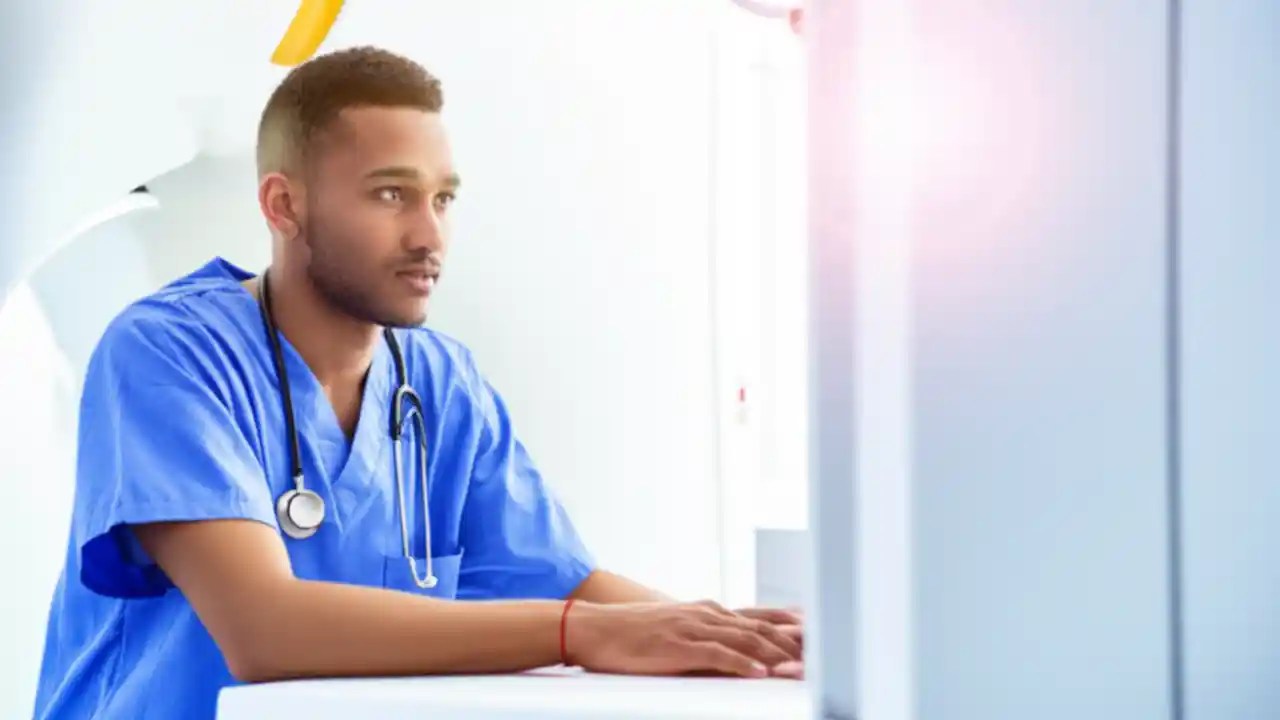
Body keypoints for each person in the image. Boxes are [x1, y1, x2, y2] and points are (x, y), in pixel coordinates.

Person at [33, 46, 803, 720]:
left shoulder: (439, 378)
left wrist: (750, 645)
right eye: (391, 194)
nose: (430, 235)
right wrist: (582, 635)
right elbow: (263, 629)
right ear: (283, 204)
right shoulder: (168, 353)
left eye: (443, 199)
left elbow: (572, 586)